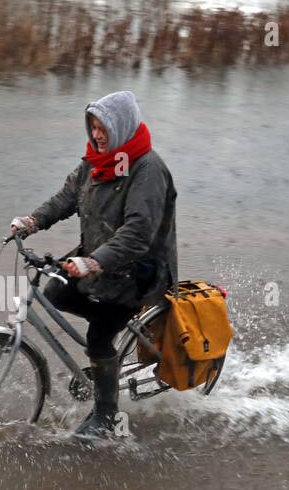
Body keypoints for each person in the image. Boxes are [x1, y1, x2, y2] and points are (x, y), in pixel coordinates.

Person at [10, 90, 177, 439]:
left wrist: (94, 261)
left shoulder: (147, 169)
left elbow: (137, 233)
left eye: (104, 127)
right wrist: (33, 221)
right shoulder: (96, 161)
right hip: (97, 262)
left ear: (123, 126)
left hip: (137, 273)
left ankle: (105, 416)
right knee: (55, 293)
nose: (97, 134)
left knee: (98, 336)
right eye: (93, 126)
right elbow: (66, 198)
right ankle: (108, 360)